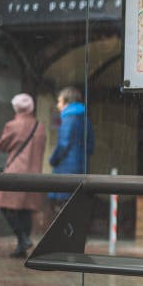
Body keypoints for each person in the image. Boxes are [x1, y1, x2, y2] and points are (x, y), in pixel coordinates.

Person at [0, 93, 47, 258]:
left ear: (16, 108)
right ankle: (21, 246)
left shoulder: (13, 125)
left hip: (15, 172)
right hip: (34, 174)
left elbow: (2, 146)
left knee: (5, 205)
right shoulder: (40, 126)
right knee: (25, 210)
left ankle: (22, 238)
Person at [48, 86, 94, 214]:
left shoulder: (69, 119)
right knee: (74, 208)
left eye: (60, 102)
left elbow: (63, 144)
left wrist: (53, 160)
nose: (58, 106)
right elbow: (90, 146)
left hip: (66, 170)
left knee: (61, 208)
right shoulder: (85, 119)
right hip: (81, 168)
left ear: (67, 102)